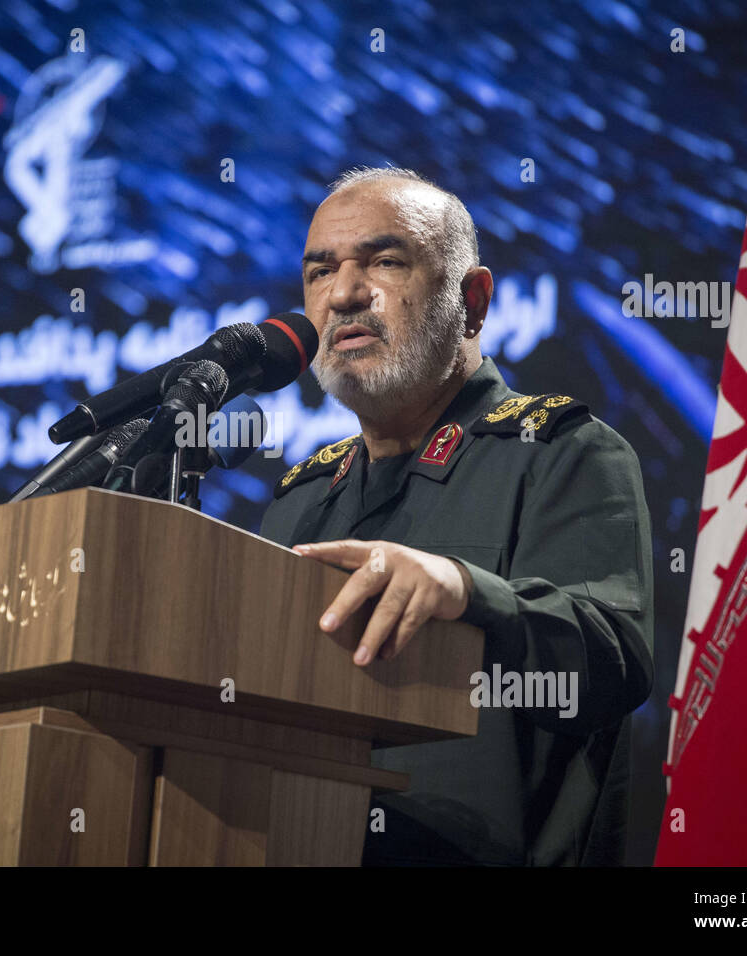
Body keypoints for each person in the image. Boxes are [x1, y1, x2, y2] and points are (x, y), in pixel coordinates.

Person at [259, 166, 654, 866]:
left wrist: (468, 593)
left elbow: (612, 663)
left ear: (472, 300)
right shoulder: (298, 501)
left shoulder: (563, 454)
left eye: (385, 261)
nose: (346, 293)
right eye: (320, 273)